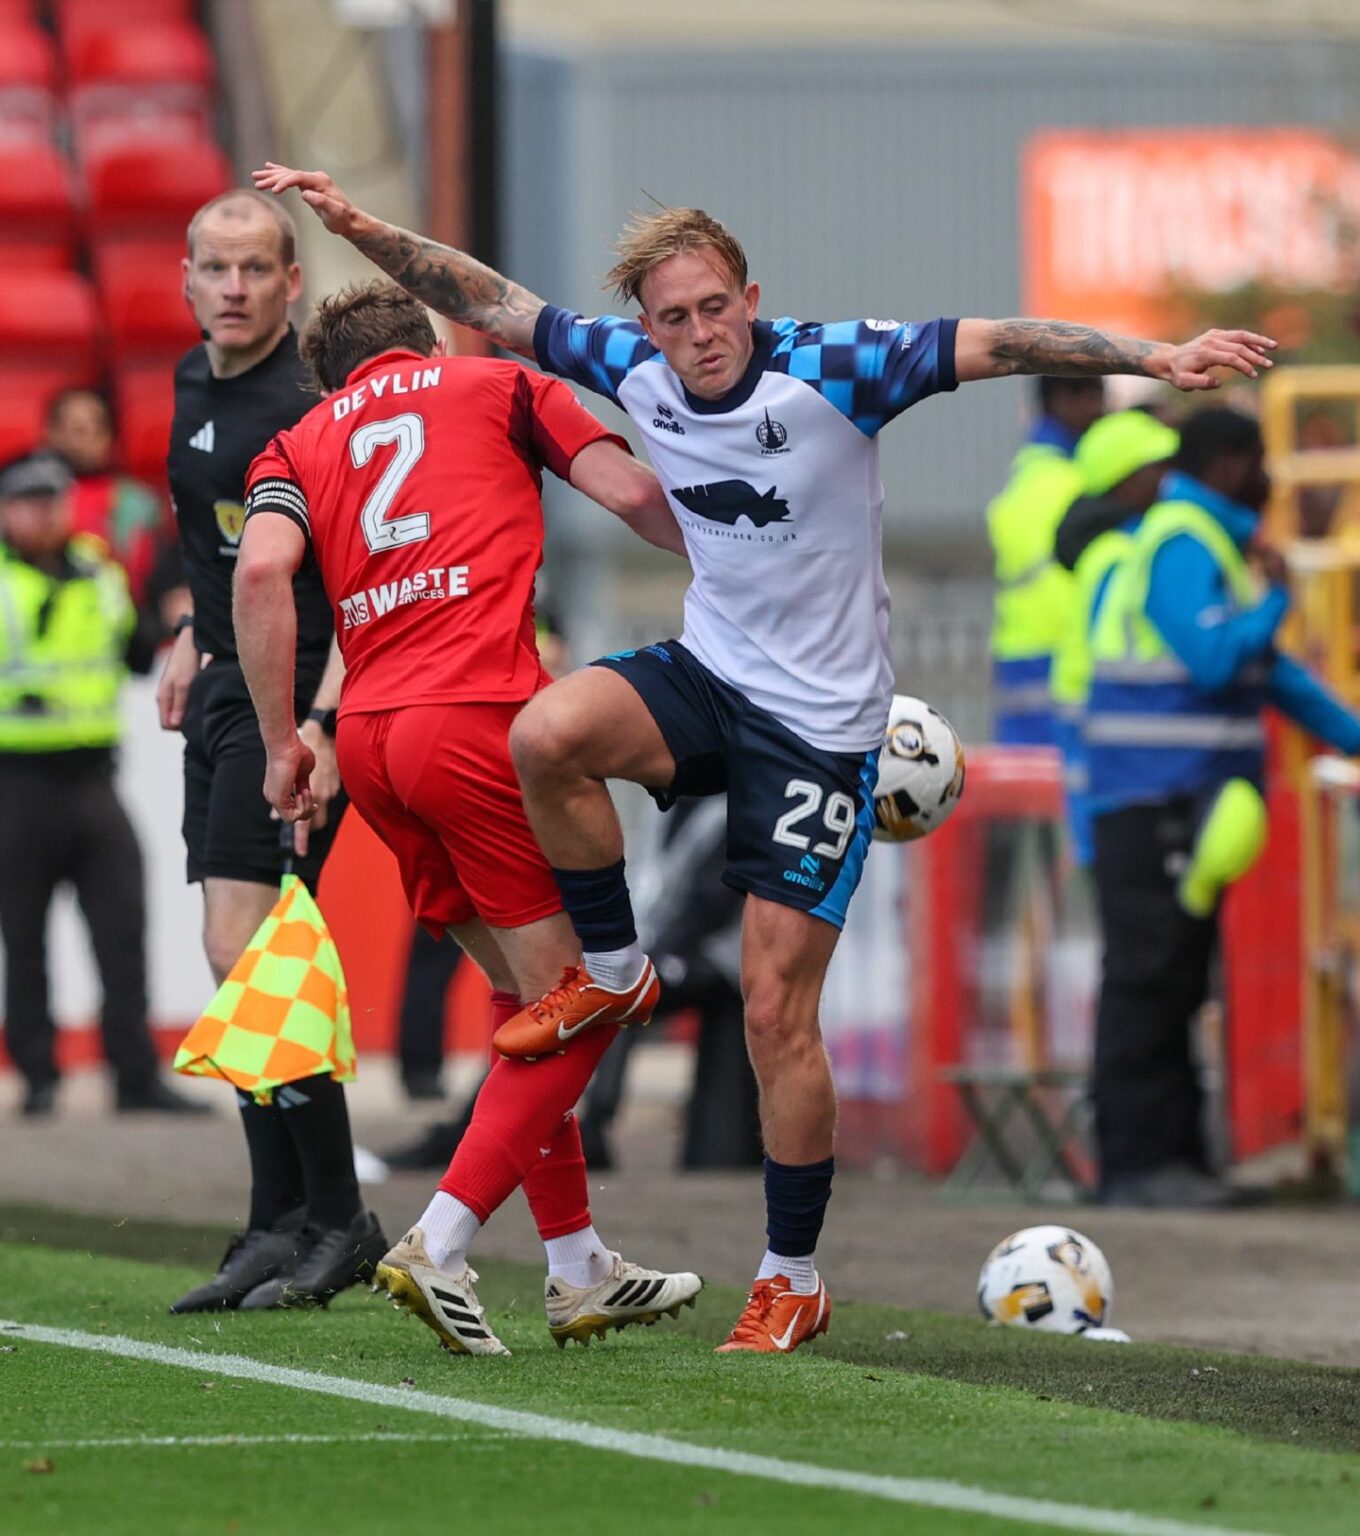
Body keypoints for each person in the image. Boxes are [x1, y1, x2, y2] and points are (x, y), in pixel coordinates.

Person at [256, 159, 1276, 1353]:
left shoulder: (841, 364)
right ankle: (616, 967)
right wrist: (361, 225)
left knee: (775, 1015)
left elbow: (1001, 343)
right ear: (648, 328)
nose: (693, 337)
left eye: (710, 308)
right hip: (710, 678)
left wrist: (1153, 359)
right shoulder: (626, 362)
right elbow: (490, 301)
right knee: (547, 731)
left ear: (751, 296)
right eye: (670, 319)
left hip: (821, 729)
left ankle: (789, 1272)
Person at [235, 279, 700, 1354]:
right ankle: (440, 1239)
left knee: (525, 1005)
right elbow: (630, 493)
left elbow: (262, 569)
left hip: (376, 744)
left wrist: (282, 743)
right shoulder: (499, 385)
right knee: (596, 997)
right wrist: (748, 569)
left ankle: (578, 1267)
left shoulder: (298, 441)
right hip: (482, 724)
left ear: (333, 375)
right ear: (427, 341)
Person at [159, 189, 383, 1314]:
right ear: (187, 278)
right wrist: (185, 634)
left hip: (286, 710)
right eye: (216, 268)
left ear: (292, 283)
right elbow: (213, 540)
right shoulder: (192, 383)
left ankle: (338, 1216)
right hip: (219, 697)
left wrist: (325, 726)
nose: (234, 288)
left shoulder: (311, 404)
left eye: (255, 269)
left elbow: (349, 587)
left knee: (253, 951)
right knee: (230, 958)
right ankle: (277, 1219)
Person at [1084, 407, 1360, 1207]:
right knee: (1149, 979)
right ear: (1231, 463)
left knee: (1178, 980)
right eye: (1260, 460)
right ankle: (1139, 1167)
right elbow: (1214, 660)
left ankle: (1178, 1162)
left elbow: (1270, 676)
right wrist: (1276, 601)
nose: (1270, 478)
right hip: (1150, 795)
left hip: (1178, 795)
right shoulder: (1181, 539)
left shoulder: (1214, 546)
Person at [0, 451, 206, 1117]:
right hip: (16, 781)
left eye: (54, 499)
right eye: (31, 501)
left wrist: (176, 620)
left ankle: (135, 1076)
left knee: (123, 928)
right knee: (23, 938)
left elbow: (135, 648)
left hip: (92, 776)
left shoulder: (95, 568)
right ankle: (38, 1079)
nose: (47, 512)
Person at [1050, 408, 1180, 866]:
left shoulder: (1109, 546)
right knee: (1116, 866)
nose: (1170, 477)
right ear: (1126, 479)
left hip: (1093, 718)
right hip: (1102, 720)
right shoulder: (1119, 552)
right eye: (1158, 466)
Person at [987, 376, 1105, 745]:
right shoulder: (1067, 481)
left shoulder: (1031, 471)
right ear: (1060, 400)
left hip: (1026, 651)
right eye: (1092, 395)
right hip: (1059, 652)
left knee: (1029, 785)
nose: (1100, 409)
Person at [43, 386, 186, 627]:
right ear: (51, 433)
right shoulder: (33, 502)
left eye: (97, 429)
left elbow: (161, 579)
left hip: (132, 628)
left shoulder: (139, 502)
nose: (86, 440)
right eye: (77, 429)